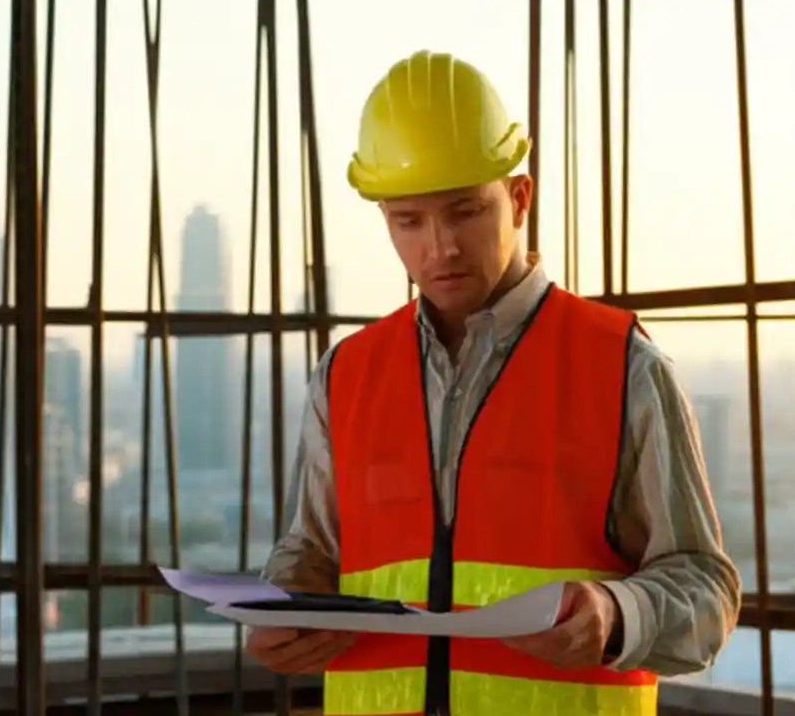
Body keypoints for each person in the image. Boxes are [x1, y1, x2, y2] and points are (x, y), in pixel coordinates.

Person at [247, 50, 740, 715]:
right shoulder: (347, 375)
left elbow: (706, 592)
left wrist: (614, 612)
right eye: (409, 222)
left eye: (465, 212)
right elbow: (311, 551)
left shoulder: (622, 365)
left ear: (519, 198)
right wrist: (281, 607)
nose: (440, 247)